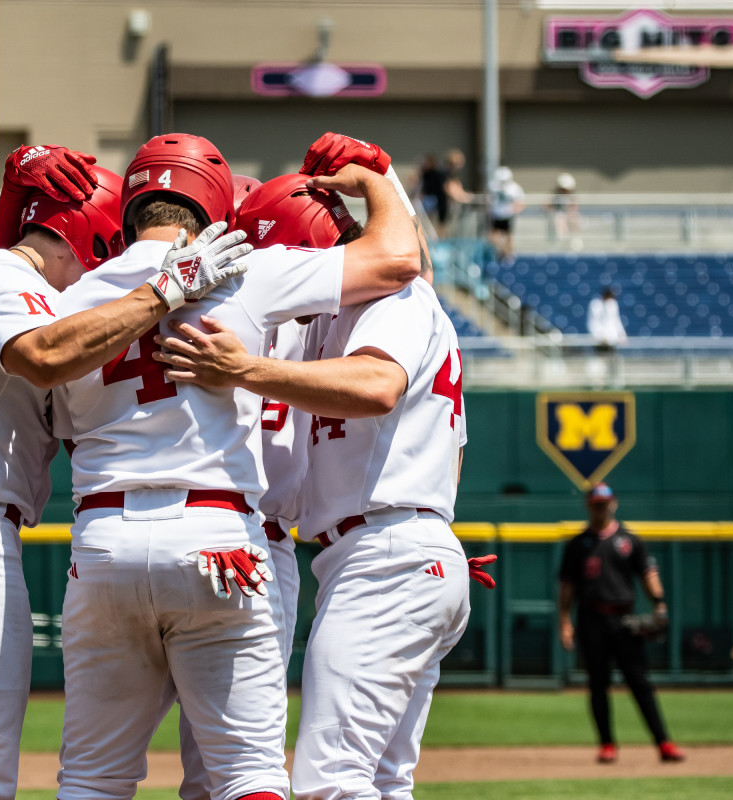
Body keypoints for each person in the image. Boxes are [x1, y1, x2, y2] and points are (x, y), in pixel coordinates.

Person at [0, 148, 251, 800]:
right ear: (85, 237)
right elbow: (45, 353)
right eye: (103, 251)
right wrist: (165, 290)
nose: (100, 272)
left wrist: (16, 196)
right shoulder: (5, 280)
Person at [53, 132, 420, 800]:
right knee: (247, 774)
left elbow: (57, 425)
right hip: (219, 539)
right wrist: (376, 178)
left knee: (91, 778)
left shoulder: (73, 299)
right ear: (217, 204)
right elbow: (398, 260)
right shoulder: (248, 274)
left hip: (102, 540)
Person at [157, 137, 492, 800]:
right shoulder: (384, 305)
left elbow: (377, 385)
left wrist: (244, 369)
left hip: (386, 554)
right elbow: (408, 265)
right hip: (402, 548)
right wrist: (384, 181)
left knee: (329, 782)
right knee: (382, 782)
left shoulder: (392, 303)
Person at [170, 169, 365, 800]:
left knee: (195, 759)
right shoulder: (311, 311)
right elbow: (404, 270)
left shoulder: (204, 301)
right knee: (243, 759)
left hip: (197, 522)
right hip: (252, 535)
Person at [557, 483, 686, 765]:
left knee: (640, 683)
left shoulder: (630, 539)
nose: (600, 508)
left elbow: (647, 573)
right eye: (596, 504)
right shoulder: (577, 544)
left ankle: (664, 743)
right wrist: (565, 621)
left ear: (613, 503)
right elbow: (566, 587)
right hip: (591, 618)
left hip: (624, 619)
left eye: (604, 503)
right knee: (598, 684)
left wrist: (659, 603)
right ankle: (607, 744)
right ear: (589, 505)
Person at [487, 165, 525, 263]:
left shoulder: (514, 188)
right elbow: (489, 199)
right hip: (496, 215)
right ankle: (503, 251)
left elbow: (521, 201)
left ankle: (509, 255)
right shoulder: (493, 186)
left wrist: (514, 210)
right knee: (493, 237)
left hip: (508, 215)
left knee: (509, 237)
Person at [546, 172, 581, 250]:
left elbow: (574, 207)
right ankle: (559, 242)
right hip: (557, 216)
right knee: (559, 220)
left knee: (574, 218)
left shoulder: (572, 197)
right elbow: (546, 206)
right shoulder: (553, 196)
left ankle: (574, 241)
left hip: (568, 216)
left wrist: (569, 213)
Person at [588, 287, 627, 352]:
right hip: (599, 340)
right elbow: (593, 323)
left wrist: (622, 335)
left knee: (611, 354)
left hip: (611, 338)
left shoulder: (613, 304)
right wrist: (599, 337)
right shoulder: (595, 305)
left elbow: (616, 321)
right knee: (600, 355)